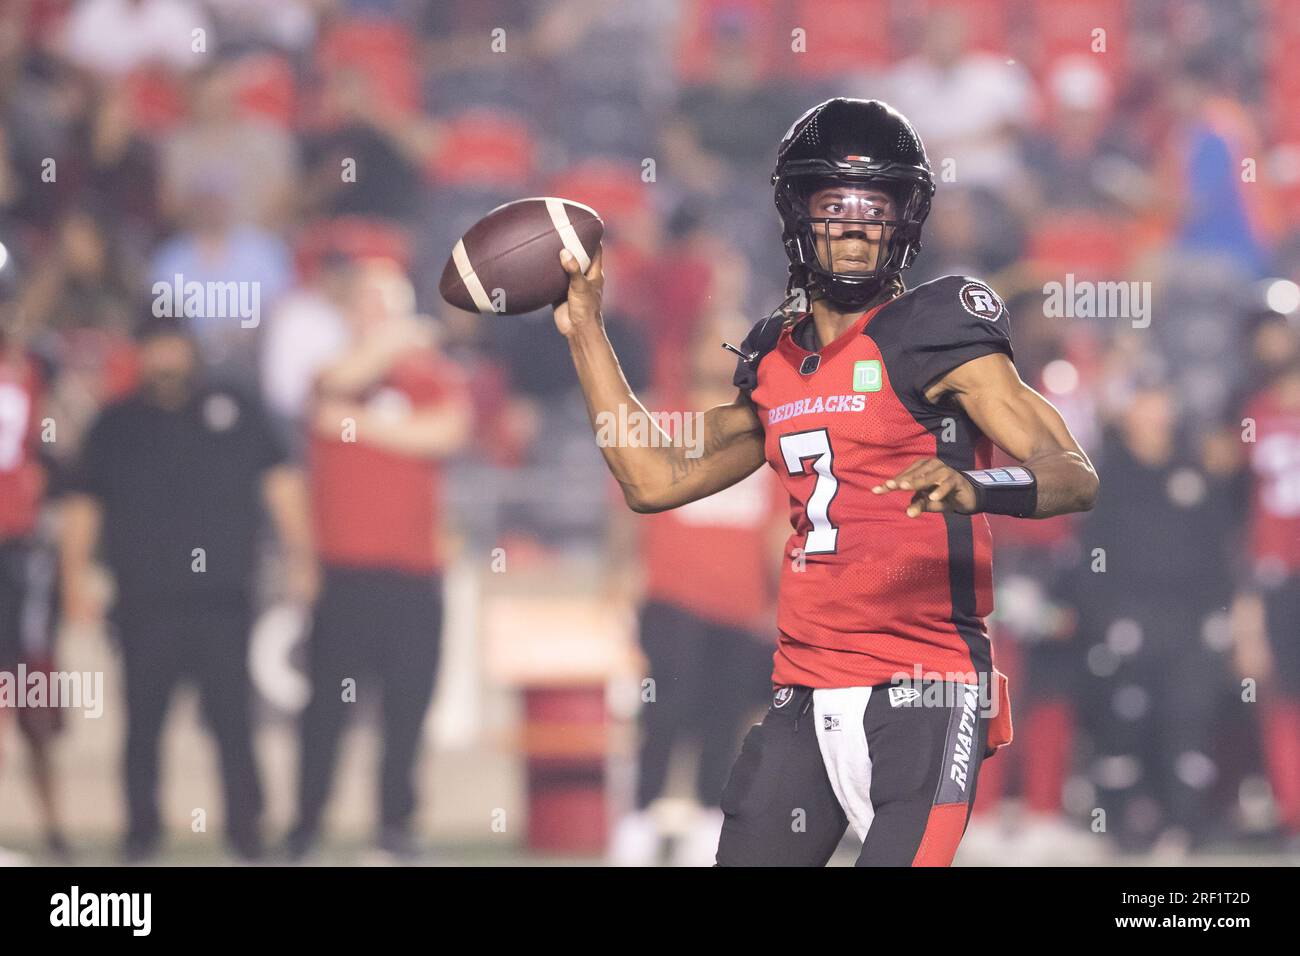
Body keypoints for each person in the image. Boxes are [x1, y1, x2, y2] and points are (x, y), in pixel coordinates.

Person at [552, 98, 1099, 866]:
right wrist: (586, 331)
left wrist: (979, 486)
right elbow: (651, 473)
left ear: (900, 220)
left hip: (924, 689)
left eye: (872, 206)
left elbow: (1072, 473)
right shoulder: (773, 357)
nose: (851, 224)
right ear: (797, 216)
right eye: (832, 205)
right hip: (803, 695)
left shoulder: (937, 328)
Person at [60, 316, 316, 861]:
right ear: (141, 353)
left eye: (174, 347)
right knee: (143, 726)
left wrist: (302, 557)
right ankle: (141, 835)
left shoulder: (236, 410)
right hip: (143, 602)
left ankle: (246, 835)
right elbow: (83, 506)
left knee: (231, 722)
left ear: (191, 350)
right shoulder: (116, 423)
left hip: (222, 599)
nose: (166, 360)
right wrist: (75, 577)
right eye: (155, 348)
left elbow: (282, 484)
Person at [287, 260, 471, 861]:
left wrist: (357, 424)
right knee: (325, 715)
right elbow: (330, 391)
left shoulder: (434, 378)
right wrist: (386, 354)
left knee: (406, 711)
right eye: (368, 303)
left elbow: (444, 434)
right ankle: (306, 825)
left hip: (416, 576)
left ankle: (395, 826)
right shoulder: (329, 373)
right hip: (345, 575)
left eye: (387, 304)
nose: (379, 317)